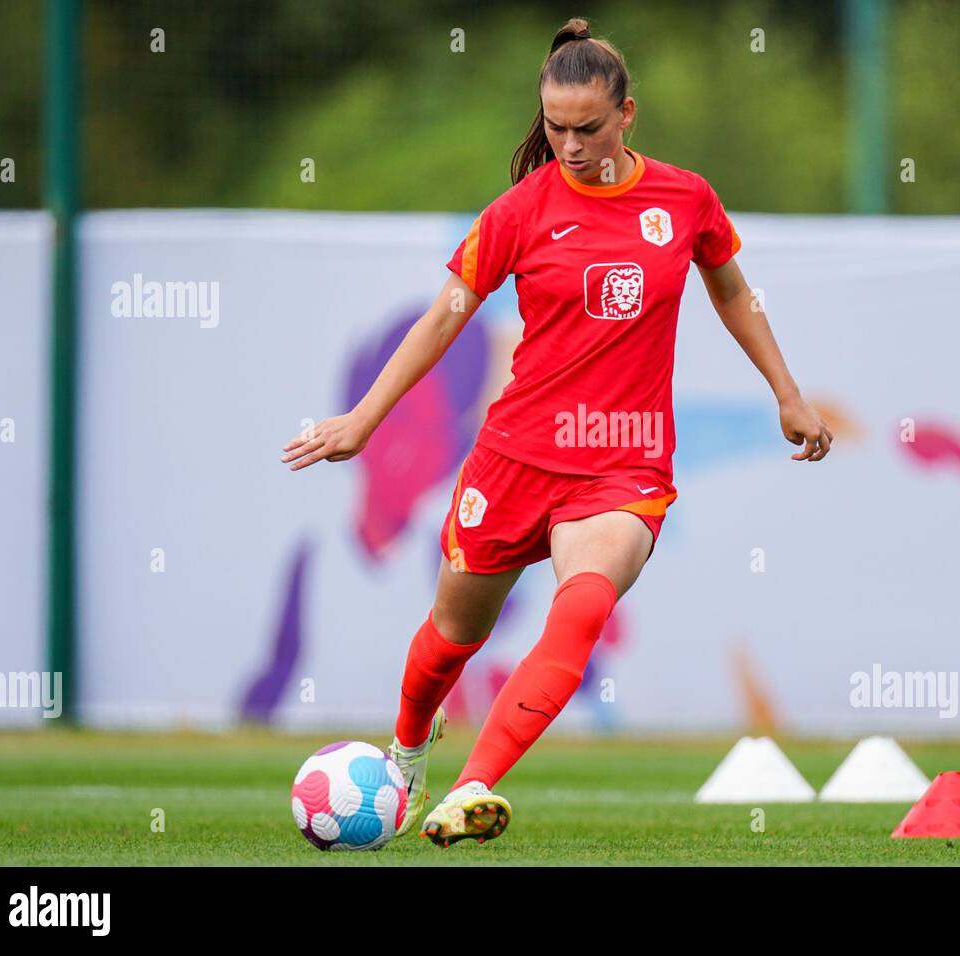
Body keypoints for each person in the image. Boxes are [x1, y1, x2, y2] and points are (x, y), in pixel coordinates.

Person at [281, 17, 832, 847]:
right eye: (555, 127)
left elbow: (731, 291)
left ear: (627, 115)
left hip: (625, 462)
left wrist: (786, 391)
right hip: (514, 457)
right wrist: (362, 421)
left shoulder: (685, 200)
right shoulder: (520, 212)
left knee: (580, 609)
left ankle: (471, 788)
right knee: (451, 637)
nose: (569, 145)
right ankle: (406, 752)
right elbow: (444, 321)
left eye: (587, 127)